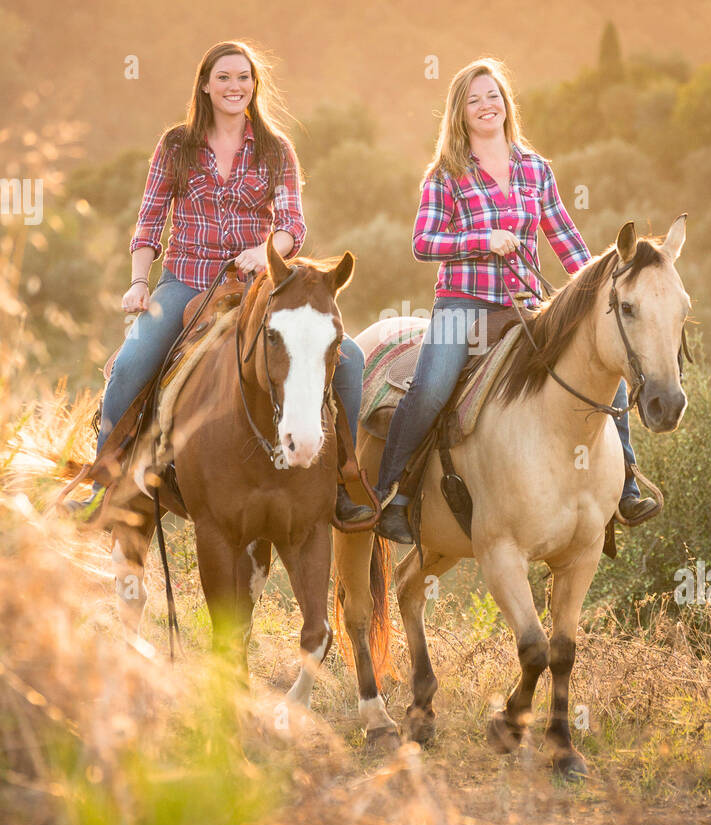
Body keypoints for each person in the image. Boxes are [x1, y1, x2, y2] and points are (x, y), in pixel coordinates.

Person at [68, 40, 370, 524]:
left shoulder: (276, 149)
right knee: (130, 366)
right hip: (185, 282)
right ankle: (103, 483)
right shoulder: (176, 146)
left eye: (244, 77)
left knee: (350, 360)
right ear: (205, 85)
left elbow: (293, 222)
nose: (235, 86)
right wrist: (139, 281)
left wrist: (269, 248)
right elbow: (149, 222)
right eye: (224, 77)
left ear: (255, 85)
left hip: (260, 286)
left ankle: (342, 482)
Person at [373, 57, 659, 544]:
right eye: (474, 99)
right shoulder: (446, 173)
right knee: (432, 389)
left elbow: (564, 236)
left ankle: (626, 482)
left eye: (493, 96)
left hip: (526, 305)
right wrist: (482, 238)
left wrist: (594, 290)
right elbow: (422, 242)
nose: (486, 106)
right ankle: (393, 495)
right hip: (461, 305)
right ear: (459, 113)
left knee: (601, 360)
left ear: (506, 104)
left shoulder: (535, 169)